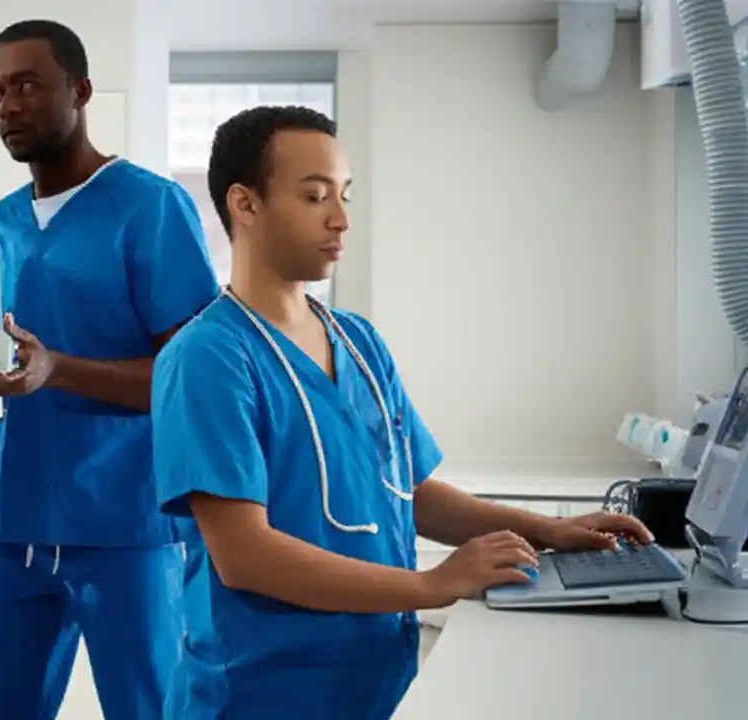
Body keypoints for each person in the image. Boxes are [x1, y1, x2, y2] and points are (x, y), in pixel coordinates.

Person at [149, 105, 656, 720]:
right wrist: (431, 584)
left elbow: (407, 493)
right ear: (245, 204)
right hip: (261, 694)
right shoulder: (207, 358)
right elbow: (244, 556)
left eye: (344, 195)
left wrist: (550, 531)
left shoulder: (359, 344)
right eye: (314, 196)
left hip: (376, 684)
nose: (341, 219)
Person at [0, 19, 219, 720]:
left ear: (80, 90)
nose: (8, 106)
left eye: (28, 85)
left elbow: (187, 382)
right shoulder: (1, 225)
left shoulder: (150, 207)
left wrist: (59, 369)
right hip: (16, 525)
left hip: (128, 526)